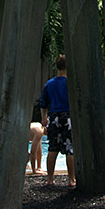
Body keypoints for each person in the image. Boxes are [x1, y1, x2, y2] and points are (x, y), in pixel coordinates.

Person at [41, 54, 75, 188]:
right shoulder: (70, 83)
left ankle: (50, 178)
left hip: (54, 116)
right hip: (68, 116)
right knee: (69, 148)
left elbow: (44, 103)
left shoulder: (50, 83)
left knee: (52, 147)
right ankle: (71, 179)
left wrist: (44, 117)